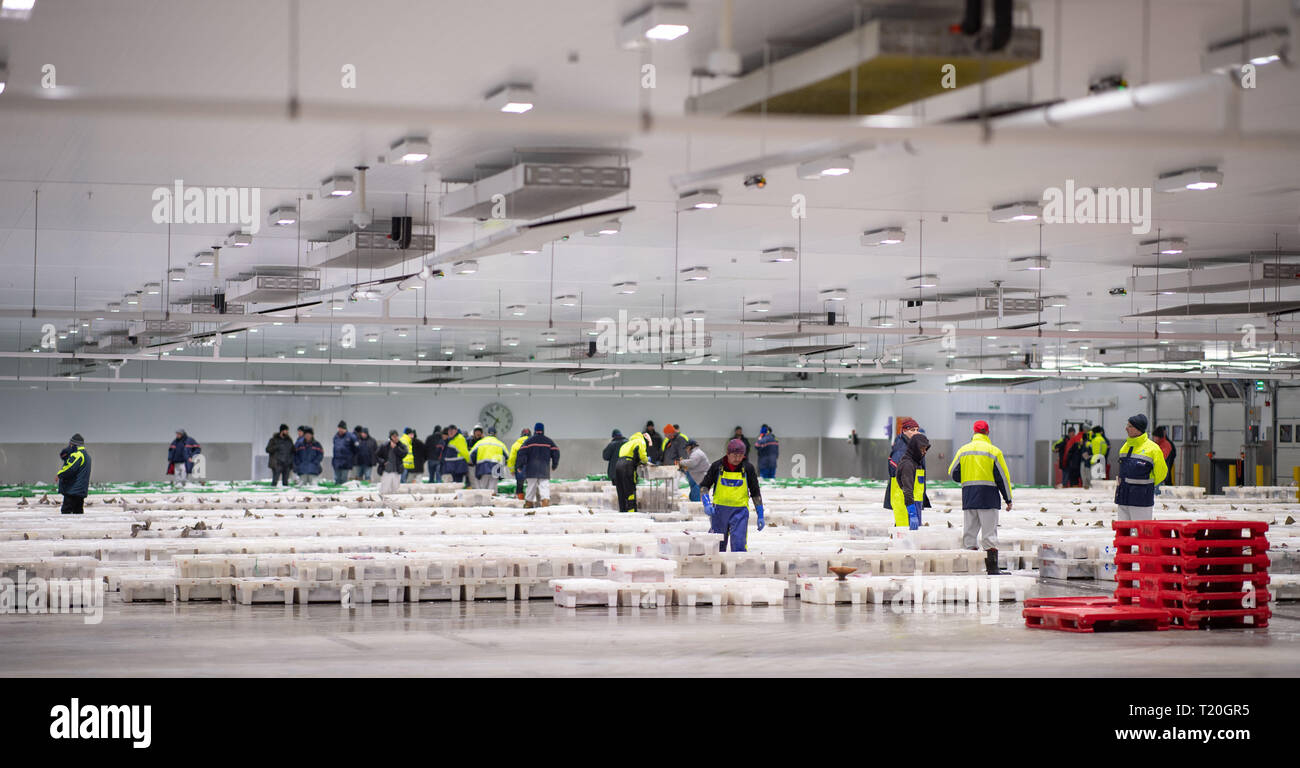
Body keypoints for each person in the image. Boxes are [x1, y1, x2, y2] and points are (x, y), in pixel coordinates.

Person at [948, 420, 1013, 575]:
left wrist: (967, 479)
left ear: (974, 432)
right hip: (988, 498)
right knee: (989, 534)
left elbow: (952, 472)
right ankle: (992, 568)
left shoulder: (963, 450)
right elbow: (1002, 478)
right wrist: (1008, 499)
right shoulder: (994, 451)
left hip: (969, 497)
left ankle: (970, 569)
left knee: (969, 534)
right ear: (987, 432)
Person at [700, 438, 764, 552]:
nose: (737, 459)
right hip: (719, 513)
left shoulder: (748, 468)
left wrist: (760, 515)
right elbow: (704, 486)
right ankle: (718, 569)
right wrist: (706, 504)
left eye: (741, 455)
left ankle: (737, 568)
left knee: (739, 545)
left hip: (740, 513)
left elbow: (755, 492)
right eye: (734, 455)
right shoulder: (717, 466)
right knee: (717, 547)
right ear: (728, 453)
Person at [1116, 414, 1168, 520]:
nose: (1126, 428)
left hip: (1141, 500)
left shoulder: (1153, 449)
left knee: (1139, 532)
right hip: (1123, 499)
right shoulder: (1125, 447)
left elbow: (1161, 473)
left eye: (1130, 426)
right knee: (1124, 533)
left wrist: (1145, 487)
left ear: (1138, 429)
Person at [884, 418, 930, 512]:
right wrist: (910, 502)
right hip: (904, 497)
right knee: (904, 524)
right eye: (912, 430)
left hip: (914, 494)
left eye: (917, 430)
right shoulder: (901, 448)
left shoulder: (914, 445)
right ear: (904, 431)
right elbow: (900, 475)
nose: (916, 433)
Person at [890, 432, 930, 530]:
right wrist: (912, 513)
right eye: (922, 449)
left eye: (926, 449)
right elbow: (907, 490)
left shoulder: (916, 464)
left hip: (914, 505)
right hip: (906, 508)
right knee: (905, 541)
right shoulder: (907, 465)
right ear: (915, 448)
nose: (924, 452)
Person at [518, 422, 560, 508]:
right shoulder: (549, 441)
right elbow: (556, 452)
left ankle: (528, 505)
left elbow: (521, 453)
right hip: (544, 468)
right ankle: (545, 504)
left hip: (531, 468)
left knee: (531, 487)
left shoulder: (529, 441)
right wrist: (554, 465)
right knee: (544, 486)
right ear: (543, 430)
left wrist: (520, 466)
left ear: (535, 430)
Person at [614, 430, 649, 513]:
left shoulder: (626, 444)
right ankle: (631, 512)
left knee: (621, 490)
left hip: (618, 465)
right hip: (628, 465)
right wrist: (646, 460)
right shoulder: (640, 441)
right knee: (630, 489)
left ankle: (623, 511)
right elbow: (643, 456)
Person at [56, 434, 91, 515]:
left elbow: (70, 468)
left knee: (66, 513)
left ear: (73, 444)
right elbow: (64, 457)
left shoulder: (77, 454)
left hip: (72, 491)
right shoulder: (86, 455)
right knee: (78, 514)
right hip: (80, 491)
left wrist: (59, 474)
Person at [469, 427, 509, 492]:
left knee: (483, 490)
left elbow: (471, 456)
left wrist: (473, 463)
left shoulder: (480, 443)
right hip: (496, 469)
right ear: (495, 434)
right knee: (492, 490)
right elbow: (507, 457)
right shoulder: (500, 444)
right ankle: (491, 501)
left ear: (487, 434)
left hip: (482, 469)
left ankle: (484, 501)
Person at [375, 429, 407, 495]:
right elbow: (376, 455)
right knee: (385, 490)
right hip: (386, 471)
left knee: (395, 489)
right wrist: (383, 462)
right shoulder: (384, 446)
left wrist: (396, 448)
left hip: (397, 471)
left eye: (397, 436)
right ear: (390, 437)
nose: (396, 438)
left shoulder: (401, 445)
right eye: (394, 436)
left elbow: (404, 454)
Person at [331, 420, 359, 485]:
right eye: (339, 428)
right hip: (337, 462)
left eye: (342, 429)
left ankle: (343, 494)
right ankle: (336, 494)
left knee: (344, 480)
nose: (340, 430)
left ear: (345, 429)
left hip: (346, 462)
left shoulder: (351, 437)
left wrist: (350, 457)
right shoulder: (336, 437)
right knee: (337, 479)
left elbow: (356, 449)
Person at [507, 427, 531, 499]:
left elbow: (511, 459)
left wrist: (512, 470)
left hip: (519, 468)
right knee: (531, 485)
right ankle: (530, 502)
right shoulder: (533, 443)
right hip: (531, 468)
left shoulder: (515, 445)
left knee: (519, 485)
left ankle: (520, 501)